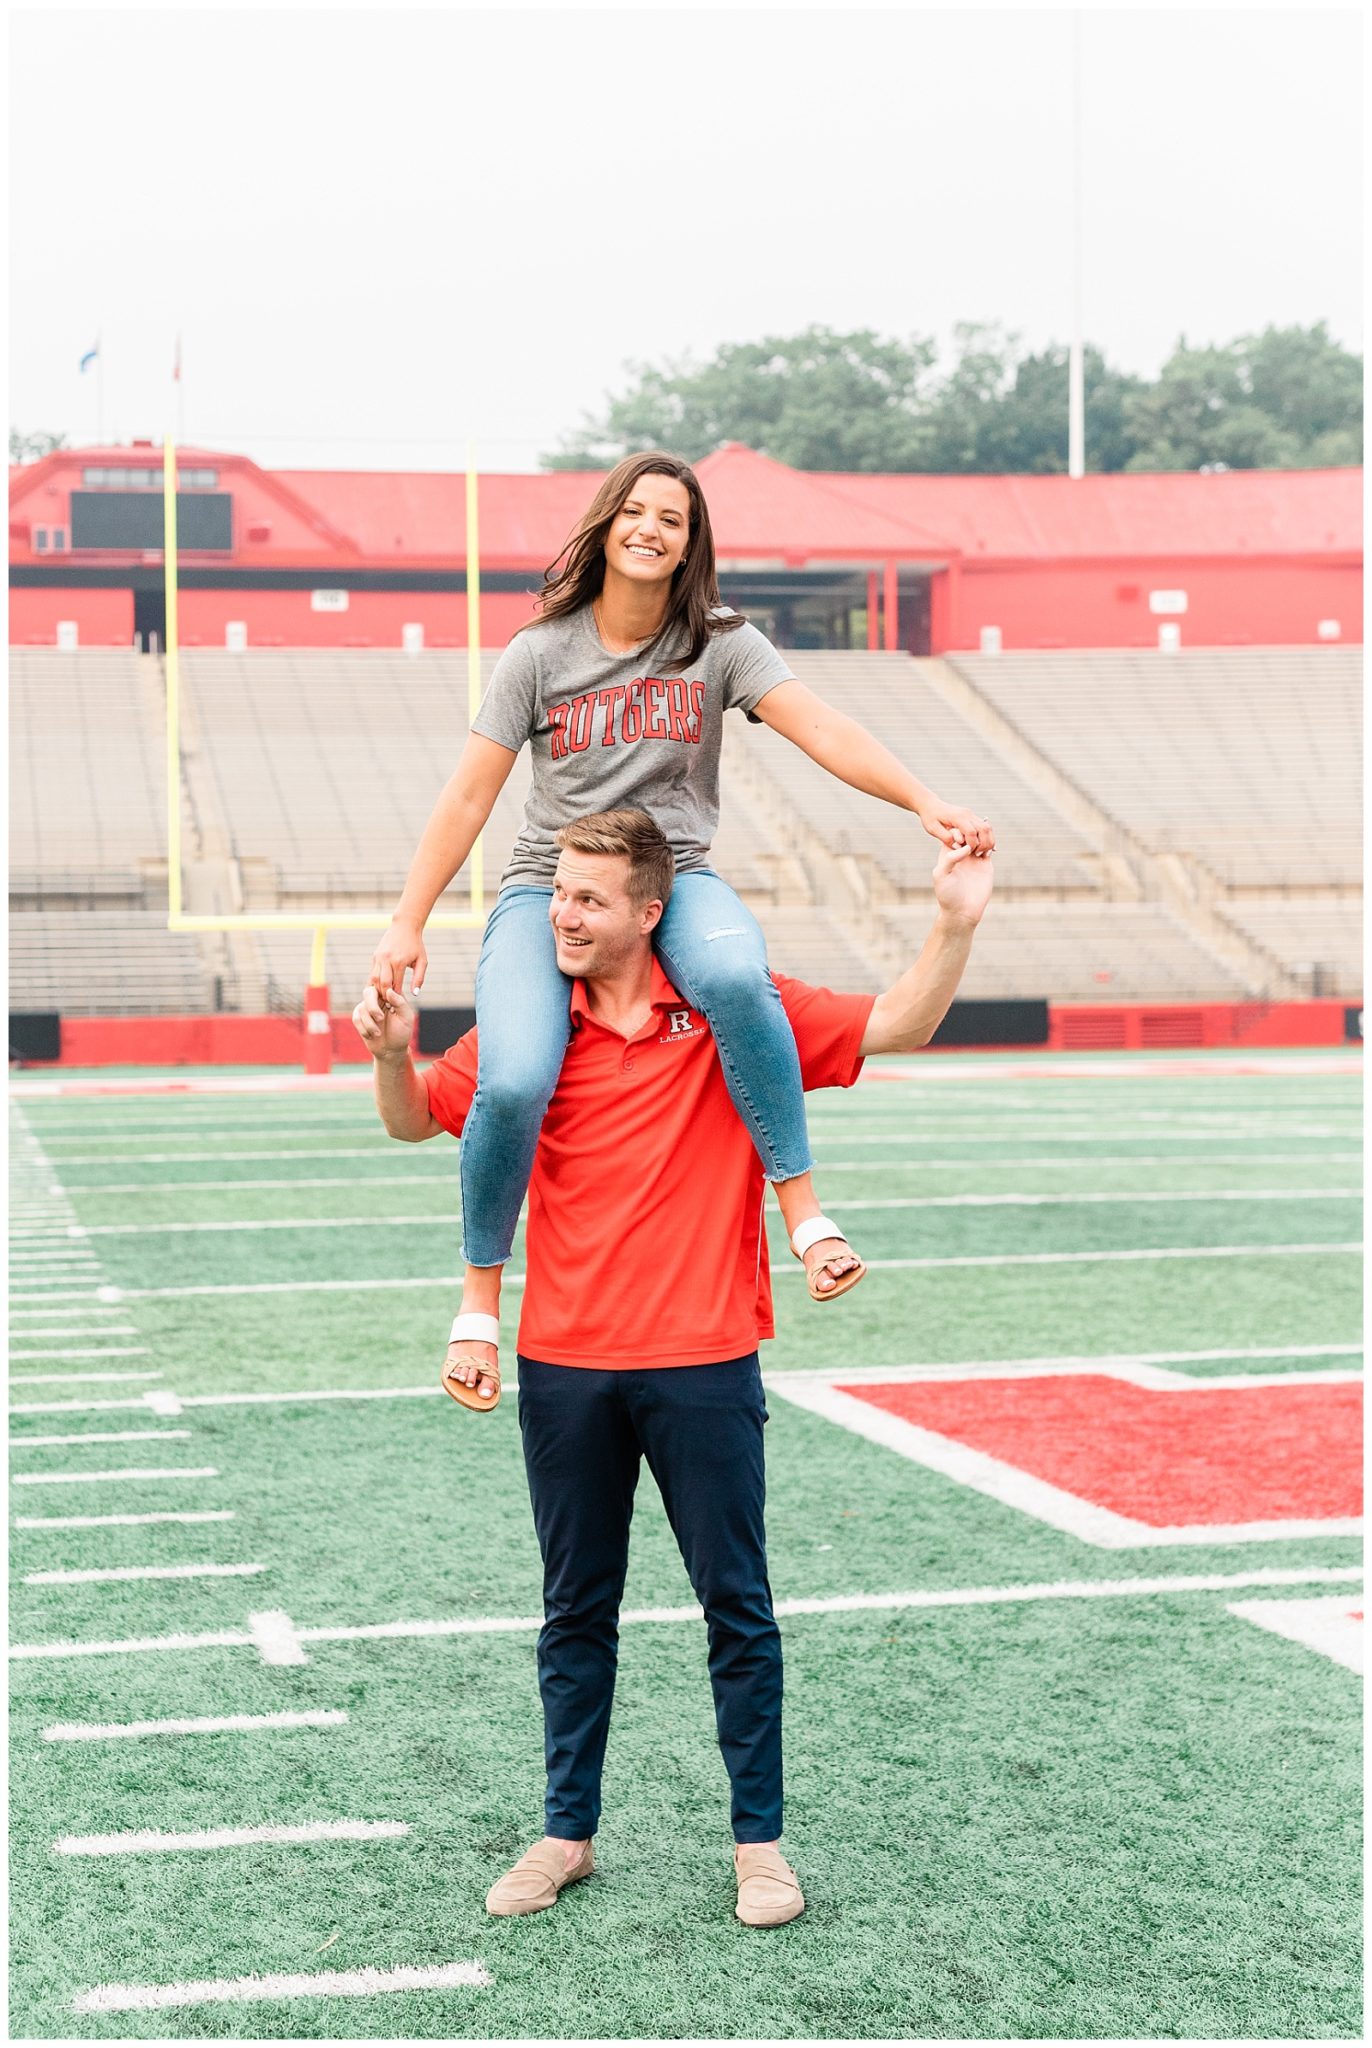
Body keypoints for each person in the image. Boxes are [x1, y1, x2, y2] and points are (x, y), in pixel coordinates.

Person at [353, 806, 994, 1927]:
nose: (562, 912)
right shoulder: (526, 1030)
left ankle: (760, 1844)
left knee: (736, 1608)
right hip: (563, 1364)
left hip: (702, 1358)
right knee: (574, 1611)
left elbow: (894, 1022)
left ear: (652, 912)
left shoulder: (732, 1011)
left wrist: (952, 927)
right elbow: (415, 1124)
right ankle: (566, 1831)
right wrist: (387, 1051)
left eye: (590, 898)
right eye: (558, 891)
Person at [367, 451, 994, 1410]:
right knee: (520, 1074)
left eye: (675, 517)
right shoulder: (539, 652)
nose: (653, 528)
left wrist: (924, 800)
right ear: (607, 524)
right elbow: (468, 795)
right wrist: (408, 921)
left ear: (691, 542)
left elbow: (820, 727)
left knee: (738, 978)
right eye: (637, 511)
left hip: (677, 873)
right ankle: (479, 1298)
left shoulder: (721, 642)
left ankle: (805, 1211)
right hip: (552, 884)